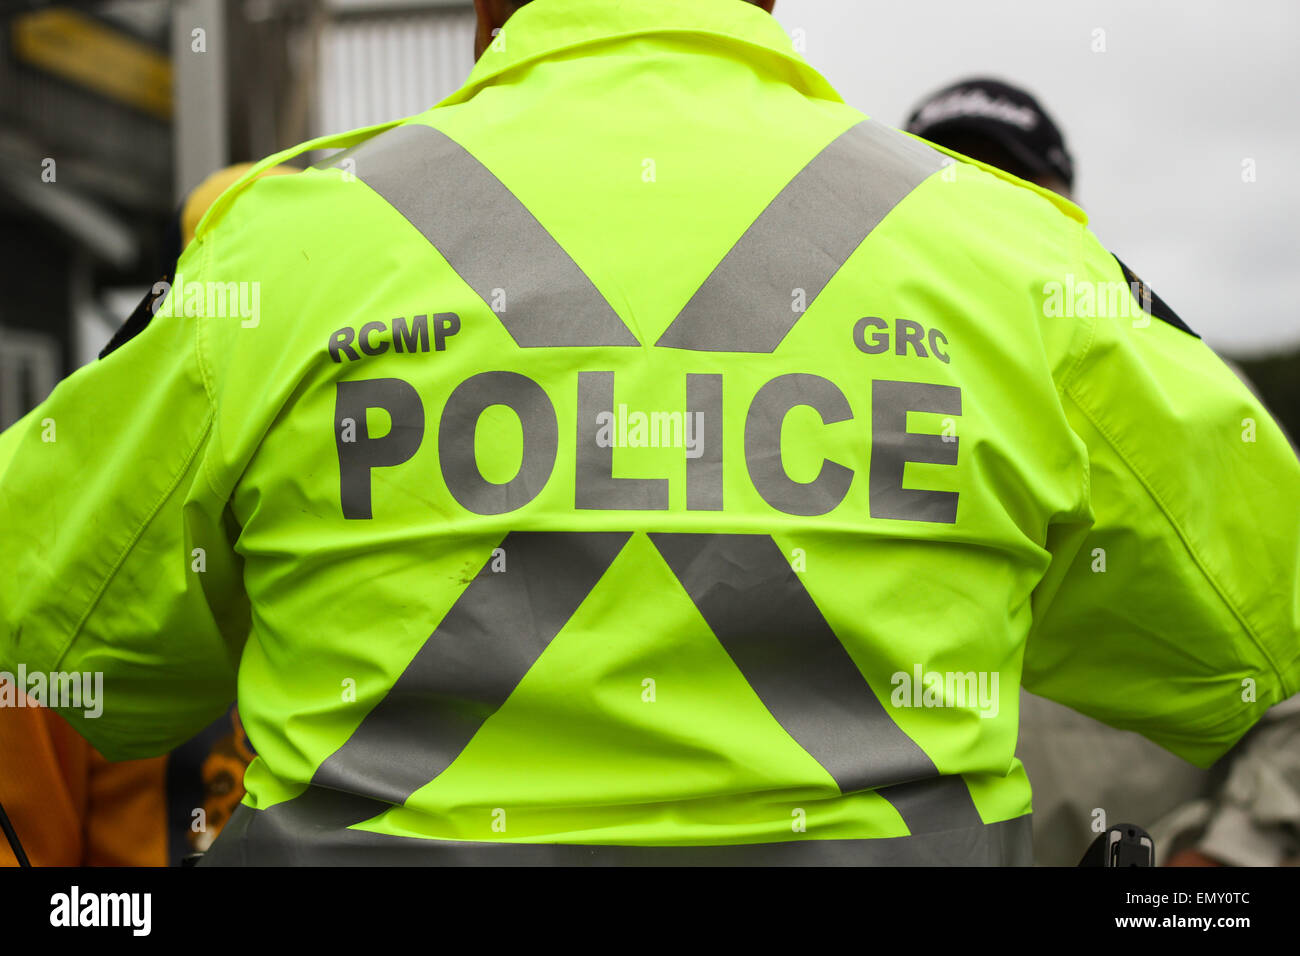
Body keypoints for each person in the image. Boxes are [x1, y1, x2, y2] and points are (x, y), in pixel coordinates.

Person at [1, 0, 1296, 866]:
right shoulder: (1017, 261)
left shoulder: (279, 255)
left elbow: (68, 655)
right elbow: (1256, 642)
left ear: (480, 6)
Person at [906, 77, 1300, 866]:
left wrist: (1218, 858)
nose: (984, 201)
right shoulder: (852, 410)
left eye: (1014, 181)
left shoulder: (1178, 394)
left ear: (1069, 206)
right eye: (945, 175)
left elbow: (1290, 689)